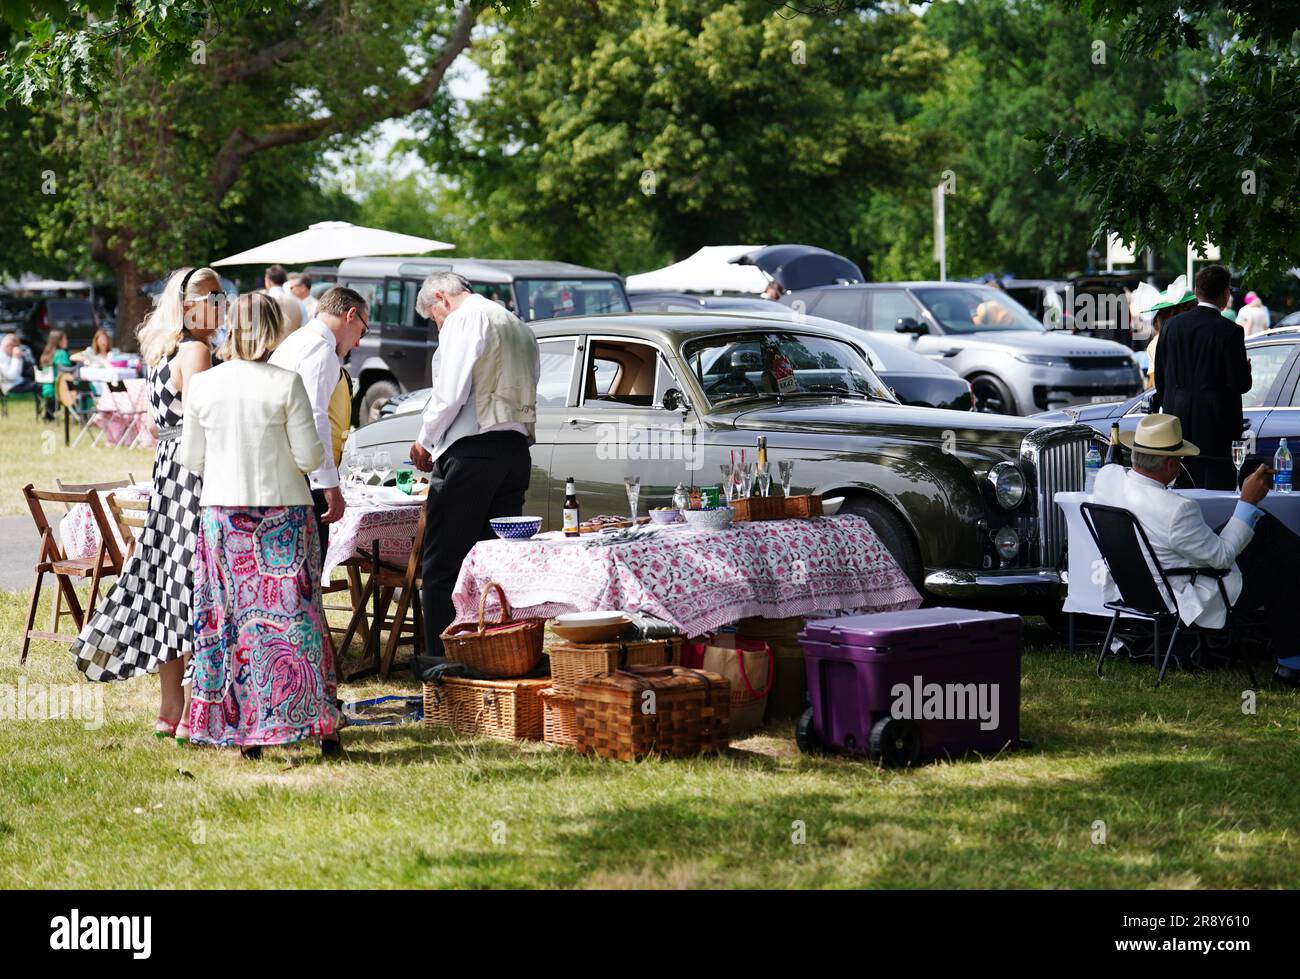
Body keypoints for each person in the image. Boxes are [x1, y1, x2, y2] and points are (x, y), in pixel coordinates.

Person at [179, 293, 342, 757]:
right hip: (283, 512)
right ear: (274, 330)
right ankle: (315, 723)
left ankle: (244, 729)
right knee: (297, 620)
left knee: (231, 623)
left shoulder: (204, 386)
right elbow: (311, 457)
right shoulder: (286, 383)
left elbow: (192, 459)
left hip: (223, 515)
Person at [69, 267, 223, 742]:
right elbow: (206, 417)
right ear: (189, 304)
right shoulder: (196, 350)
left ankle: (169, 710)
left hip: (168, 474)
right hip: (196, 474)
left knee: (169, 587)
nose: (222, 304)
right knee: (196, 585)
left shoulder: (162, 352)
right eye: (213, 296)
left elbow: (164, 425)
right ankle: (194, 713)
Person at [1093, 413, 1300, 686]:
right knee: (1279, 570)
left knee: (1262, 529)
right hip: (1185, 590)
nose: (1180, 465)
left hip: (1138, 585)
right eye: (1179, 459)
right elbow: (1222, 558)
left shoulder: (1107, 478)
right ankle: (1291, 665)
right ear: (1169, 465)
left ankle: (1291, 661)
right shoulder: (1177, 510)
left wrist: (1248, 511)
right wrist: (1248, 501)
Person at [408, 271, 540, 657]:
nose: (437, 327)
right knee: (493, 564)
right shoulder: (516, 323)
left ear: (440, 298)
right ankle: (492, 654)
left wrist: (424, 437)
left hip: (473, 451)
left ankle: (440, 658)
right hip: (515, 450)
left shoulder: (465, 318)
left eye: (434, 318)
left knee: (442, 564)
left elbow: (449, 394)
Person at [268, 285, 369, 556]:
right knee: (308, 569)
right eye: (363, 330)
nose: (358, 342)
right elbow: (313, 418)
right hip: (299, 477)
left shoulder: (298, 340)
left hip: (280, 470)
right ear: (351, 315)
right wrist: (329, 484)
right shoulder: (320, 349)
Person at [1152, 264, 1250, 490]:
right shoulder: (1231, 331)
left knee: (1181, 492)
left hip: (1177, 427)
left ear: (1197, 292)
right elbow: (1239, 384)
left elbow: (1161, 379)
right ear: (1226, 294)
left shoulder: (1170, 327)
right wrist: (1247, 371)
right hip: (1217, 432)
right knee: (1218, 496)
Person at [38, 329, 72, 419]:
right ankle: (83, 415)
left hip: (46, 388)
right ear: (59, 341)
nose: (67, 341)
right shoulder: (61, 353)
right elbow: (65, 372)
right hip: (58, 388)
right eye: (65, 339)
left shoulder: (47, 353)